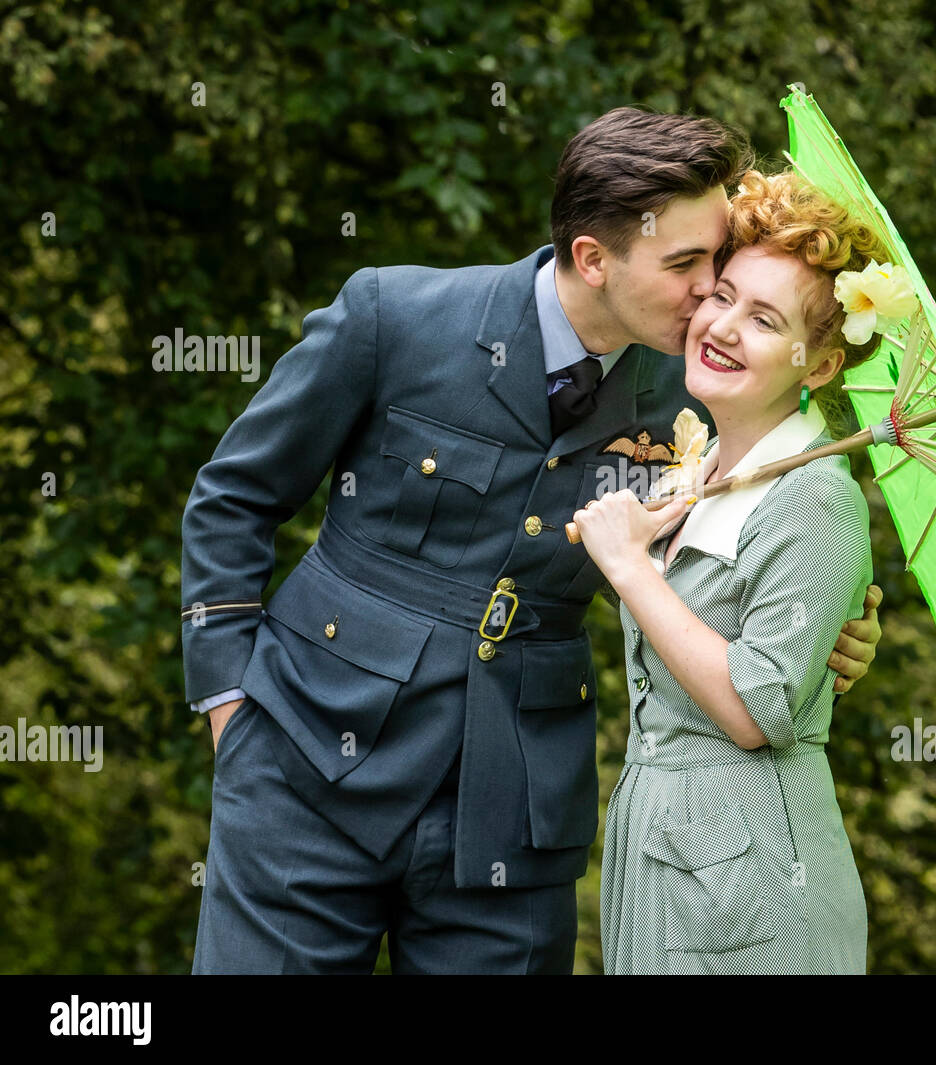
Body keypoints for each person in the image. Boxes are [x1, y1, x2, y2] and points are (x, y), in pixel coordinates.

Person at [183, 108, 884, 974]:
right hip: (304, 771)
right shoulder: (395, 317)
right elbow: (233, 495)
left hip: (513, 810)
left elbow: (762, 547)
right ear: (593, 259)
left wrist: (836, 628)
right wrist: (228, 709)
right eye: (687, 266)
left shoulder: (698, 390)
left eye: (719, 259)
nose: (713, 292)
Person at [573, 168, 890, 974]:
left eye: (764, 318)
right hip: (662, 852)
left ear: (817, 364)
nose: (721, 325)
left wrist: (631, 570)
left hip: (752, 883)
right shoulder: (702, 466)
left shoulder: (817, 495)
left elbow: (759, 707)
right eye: (722, 295)